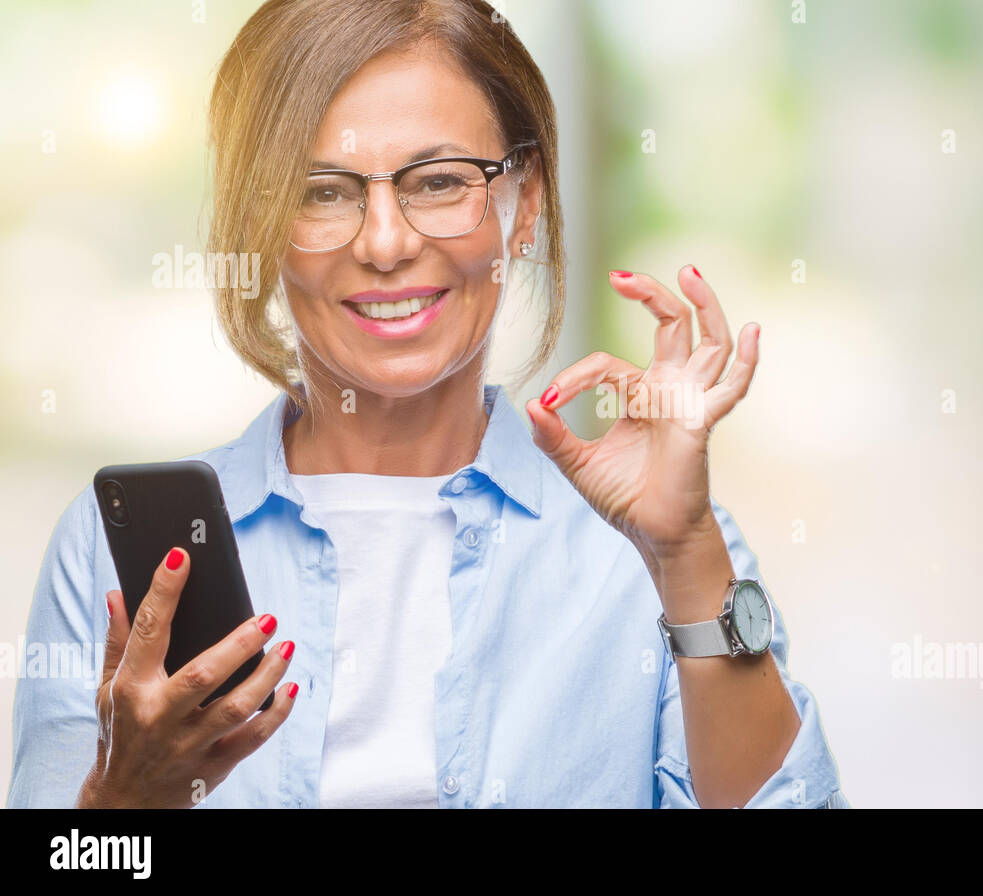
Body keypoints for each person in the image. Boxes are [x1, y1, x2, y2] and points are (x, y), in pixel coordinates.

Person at [7, 0, 847, 809]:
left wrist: (687, 553)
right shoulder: (117, 551)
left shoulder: (664, 551)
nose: (385, 241)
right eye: (323, 190)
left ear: (528, 202)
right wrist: (130, 800)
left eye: (441, 181)